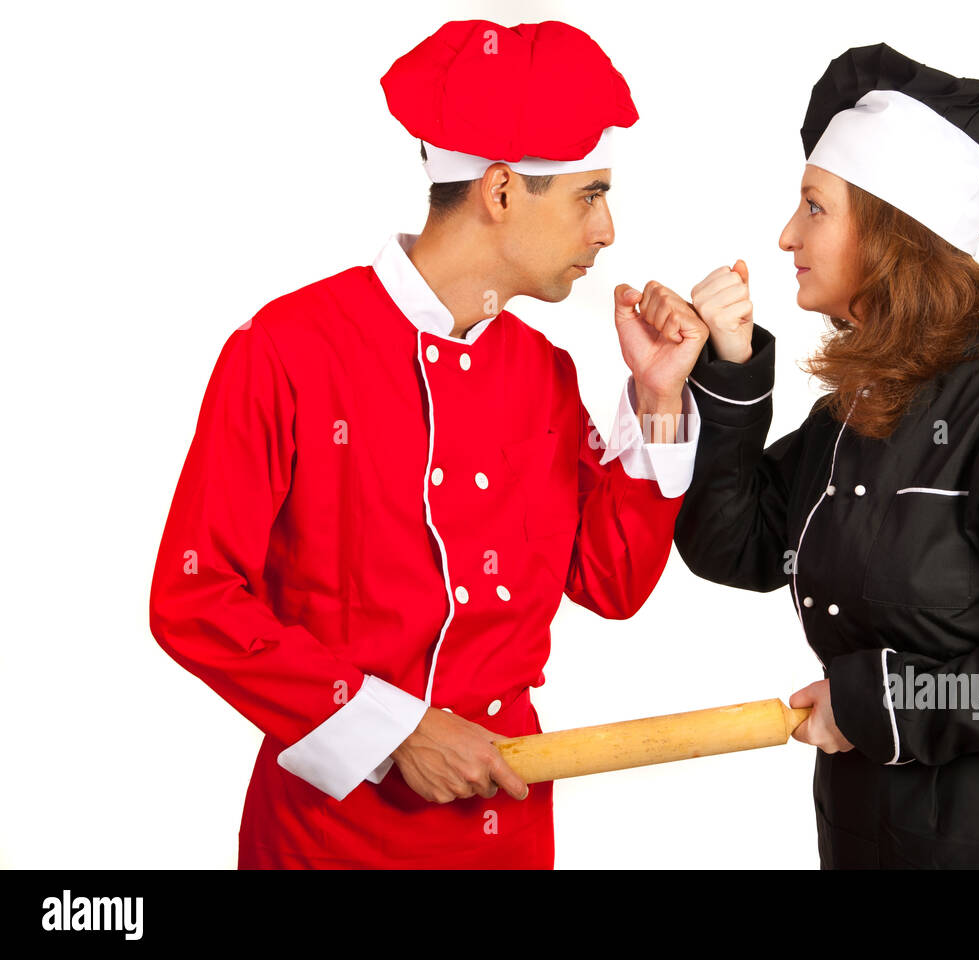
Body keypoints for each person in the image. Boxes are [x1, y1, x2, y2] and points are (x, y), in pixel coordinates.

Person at [149, 19, 708, 869]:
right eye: (590, 195)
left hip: (507, 829)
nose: (608, 232)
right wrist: (393, 726)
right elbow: (196, 599)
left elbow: (612, 581)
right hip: (323, 842)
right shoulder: (286, 351)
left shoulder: (545, 373)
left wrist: (659, 398)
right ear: (500, 191)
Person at [674, 42, 979, 868]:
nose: (787, 234)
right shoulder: (857, 408)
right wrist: (727, 371)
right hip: (876, 834)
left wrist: (879, 704)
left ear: (894, 231)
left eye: (815, 207)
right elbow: (739, 545)